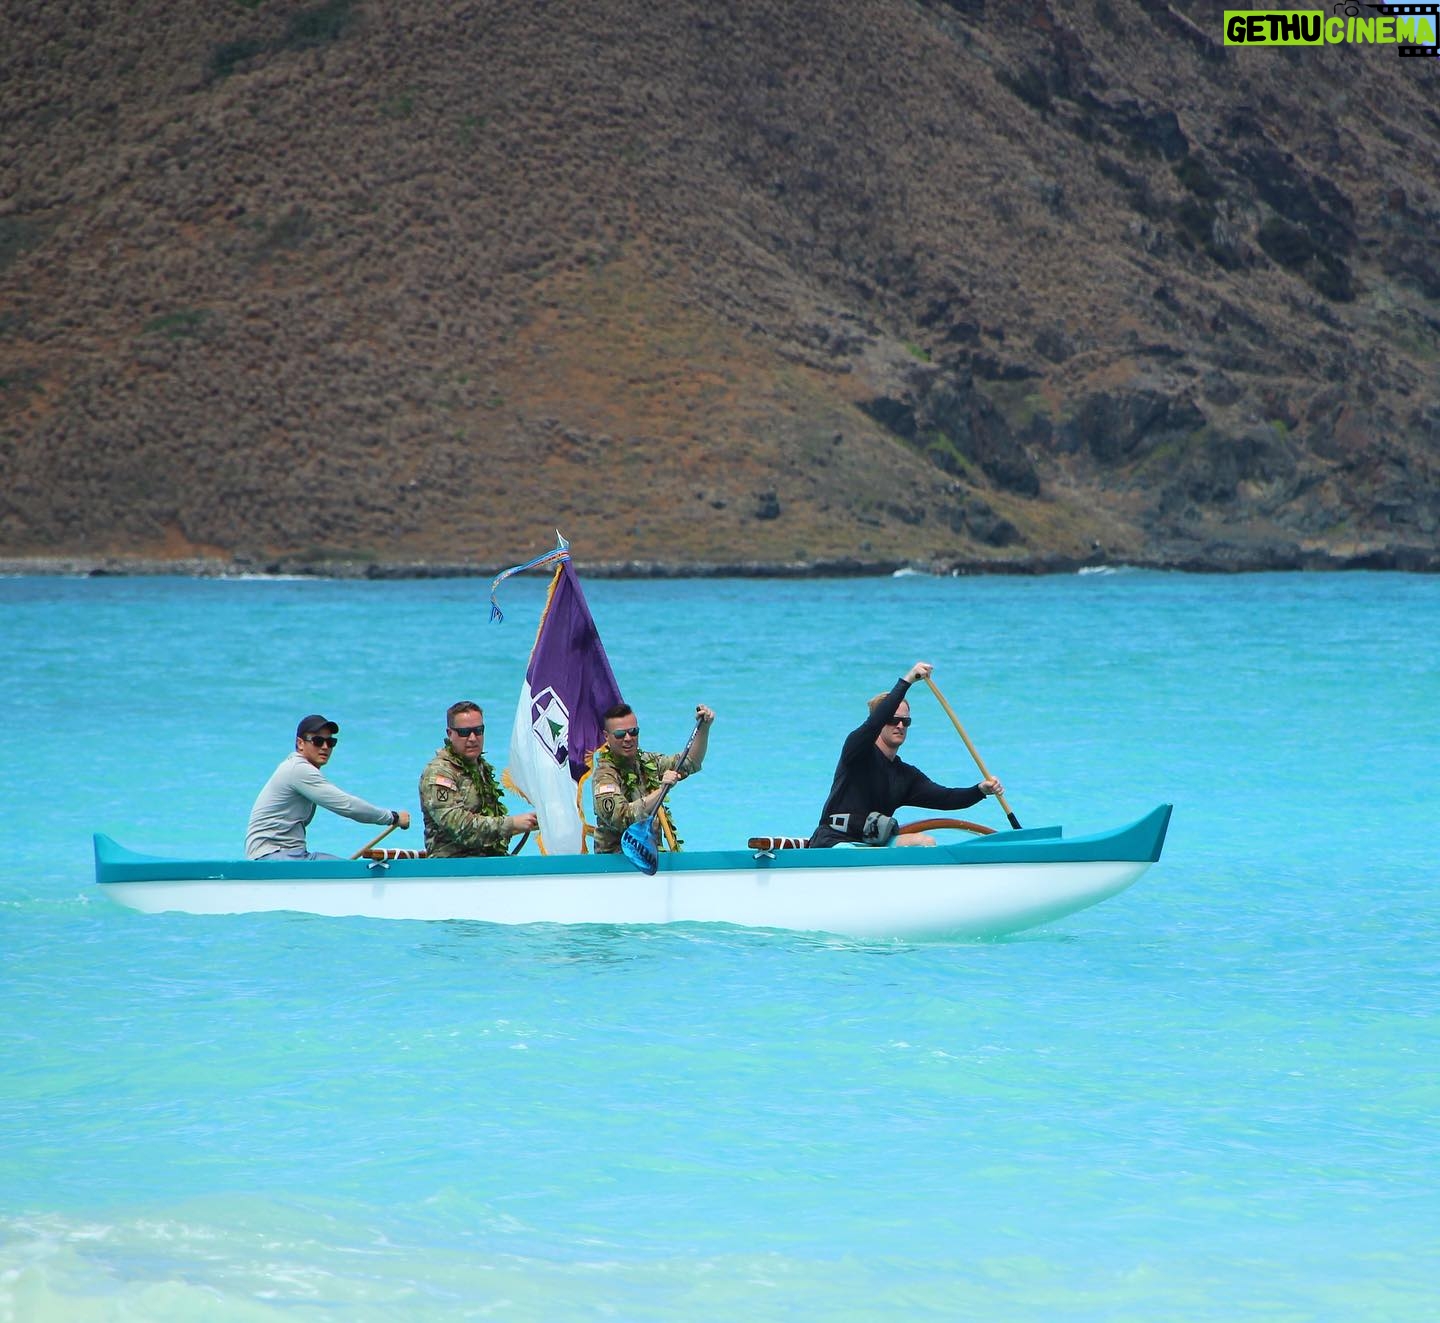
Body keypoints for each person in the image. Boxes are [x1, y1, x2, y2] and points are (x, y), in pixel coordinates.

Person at [807, 662, 1002, 848]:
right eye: (893, 719)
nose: (900, 725)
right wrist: (908, 681)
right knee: (856, 853)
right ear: (881, 720)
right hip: (833, 842)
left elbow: (946, 798)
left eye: (905, 722)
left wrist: (980, 790)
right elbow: (873, 723)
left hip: (871, 844)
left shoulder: (905, 777)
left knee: (925, 842)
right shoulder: (857, 751)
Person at [246, 715, 411, 859]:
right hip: (273, 856)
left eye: (330, 742)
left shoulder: (295, 768)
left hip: (281, 854)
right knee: (349, 873)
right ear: (300, 743)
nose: (325, 747)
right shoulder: (299, 770)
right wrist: (392, 817)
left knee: (343, 869)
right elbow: (347, 805)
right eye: (318, 741)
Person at [590, 701, 715, 854]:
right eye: (620, 734)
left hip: (650, 859)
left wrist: (704, 728)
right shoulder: (604, 776)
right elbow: (622, 818)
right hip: (615, 866)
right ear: (606, 736)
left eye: (633, 731)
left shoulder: (647, 762)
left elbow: (690, 762)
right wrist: (662, 790)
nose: (628, 738)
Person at [418, 701, 538, 857]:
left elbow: (487, 820)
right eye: (464, 732)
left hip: (486, 862)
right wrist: (511, 824)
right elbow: (458, 826)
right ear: (450, 734)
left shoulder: (480, 767)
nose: (473, 738)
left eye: (478, 730)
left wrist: (527, 823)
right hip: (452, 867)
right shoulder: (439, 774)